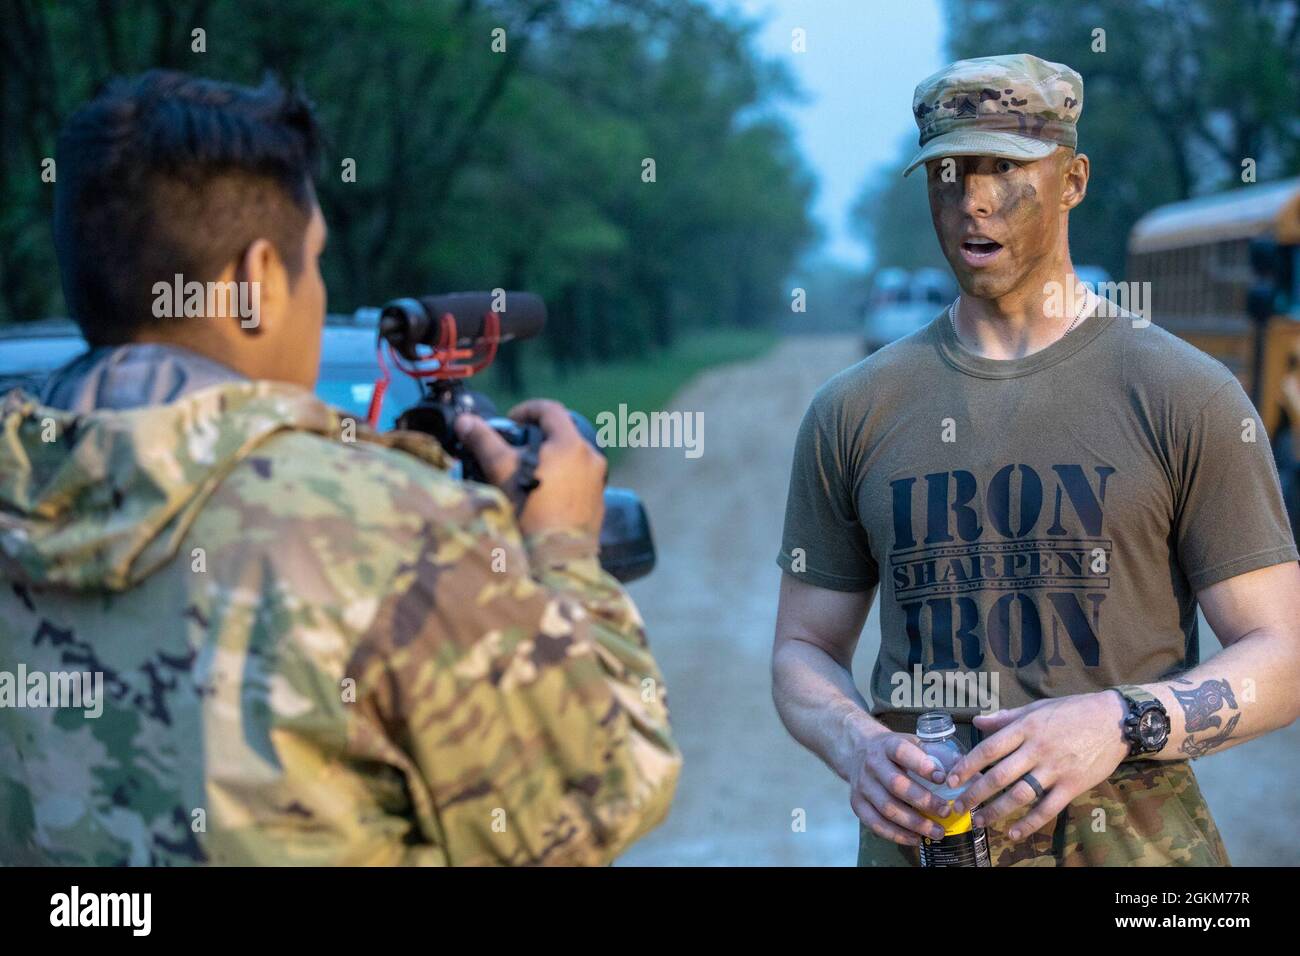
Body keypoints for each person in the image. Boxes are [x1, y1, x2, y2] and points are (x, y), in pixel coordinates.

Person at [0, 70, 680, 866]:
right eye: (314, 262)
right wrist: (561, 547)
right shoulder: (392, 533)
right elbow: (600, 796)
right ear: (256, 280)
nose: (317, 295)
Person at [771, 53, 1300, 866]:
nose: (974, 200)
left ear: (1073, 180)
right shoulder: (854, 408)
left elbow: (1283, 654)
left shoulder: (1184, 394)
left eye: (1007, 169)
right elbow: (804, 648)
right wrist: (855, 742)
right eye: (948, 173)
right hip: (924, 848)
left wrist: (1120, 721)